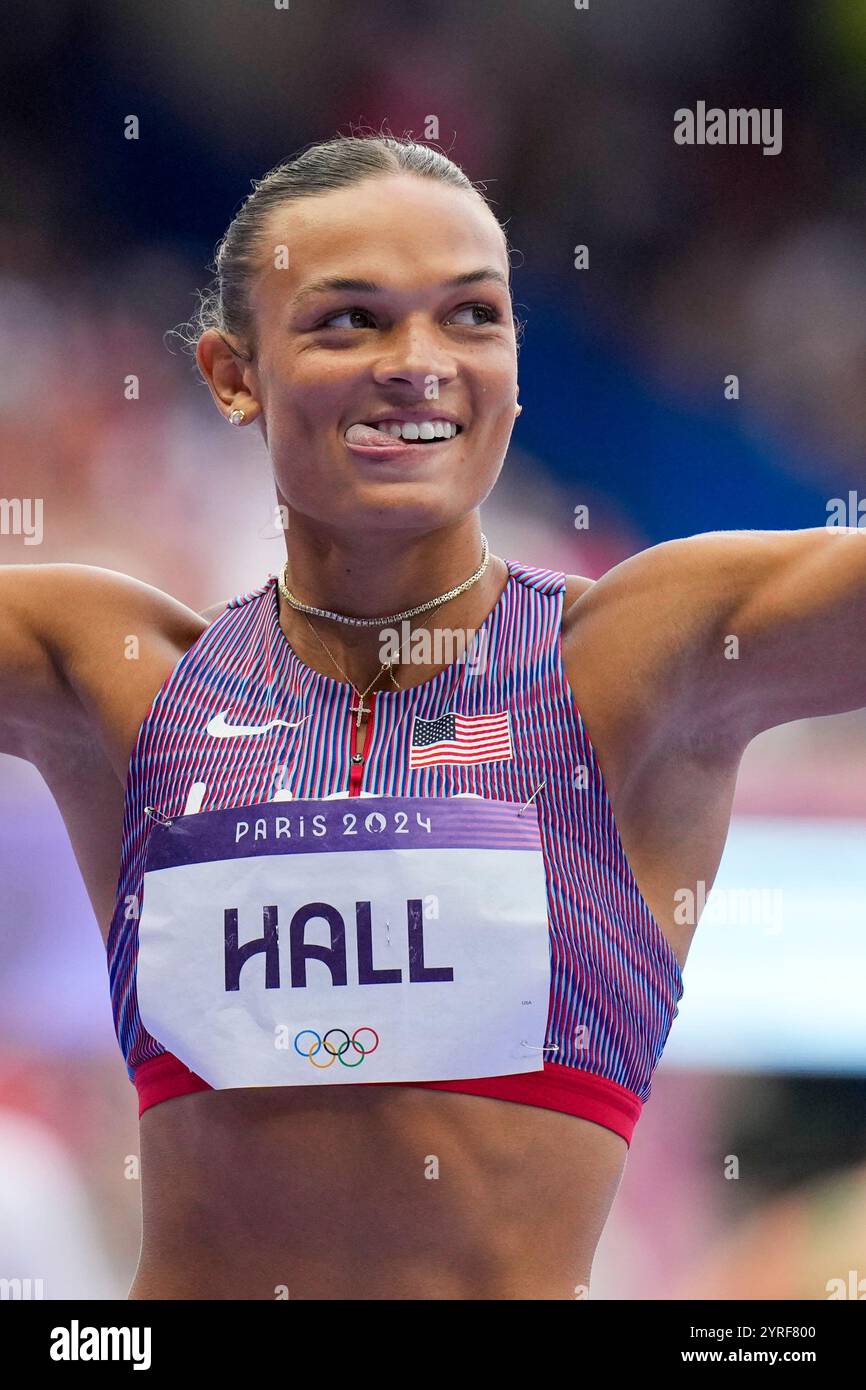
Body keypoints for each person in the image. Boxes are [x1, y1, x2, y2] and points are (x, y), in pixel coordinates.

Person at [1, 134, 864, 1301]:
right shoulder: (119, 679)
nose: (418, 363)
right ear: (231, 374)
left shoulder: (639, 662)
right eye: (347, 320)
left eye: (471, 316)